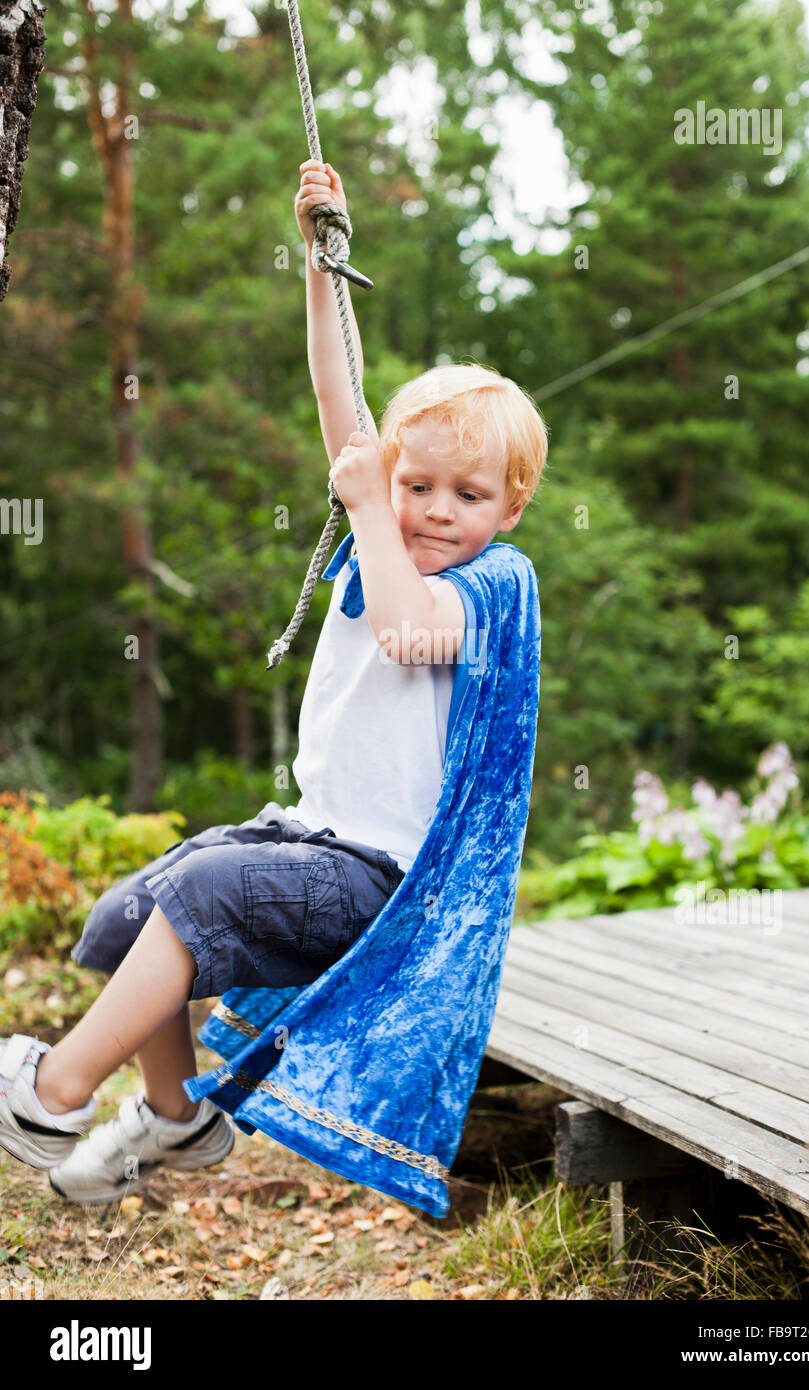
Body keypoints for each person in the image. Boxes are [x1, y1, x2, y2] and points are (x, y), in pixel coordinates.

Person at [0, 160, 548, 1204]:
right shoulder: (380, 527)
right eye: (415, 484)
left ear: (509, 507)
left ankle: (55, 1092)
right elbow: (336, 396)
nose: (434, 509)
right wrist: (318, 264)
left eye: (465, 494)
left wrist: (372, 513)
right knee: (131, 913)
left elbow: (405, 635)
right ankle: (175, 1116)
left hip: (386, 884)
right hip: (312, 838)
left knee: (202, 893)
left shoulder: (490, 585)